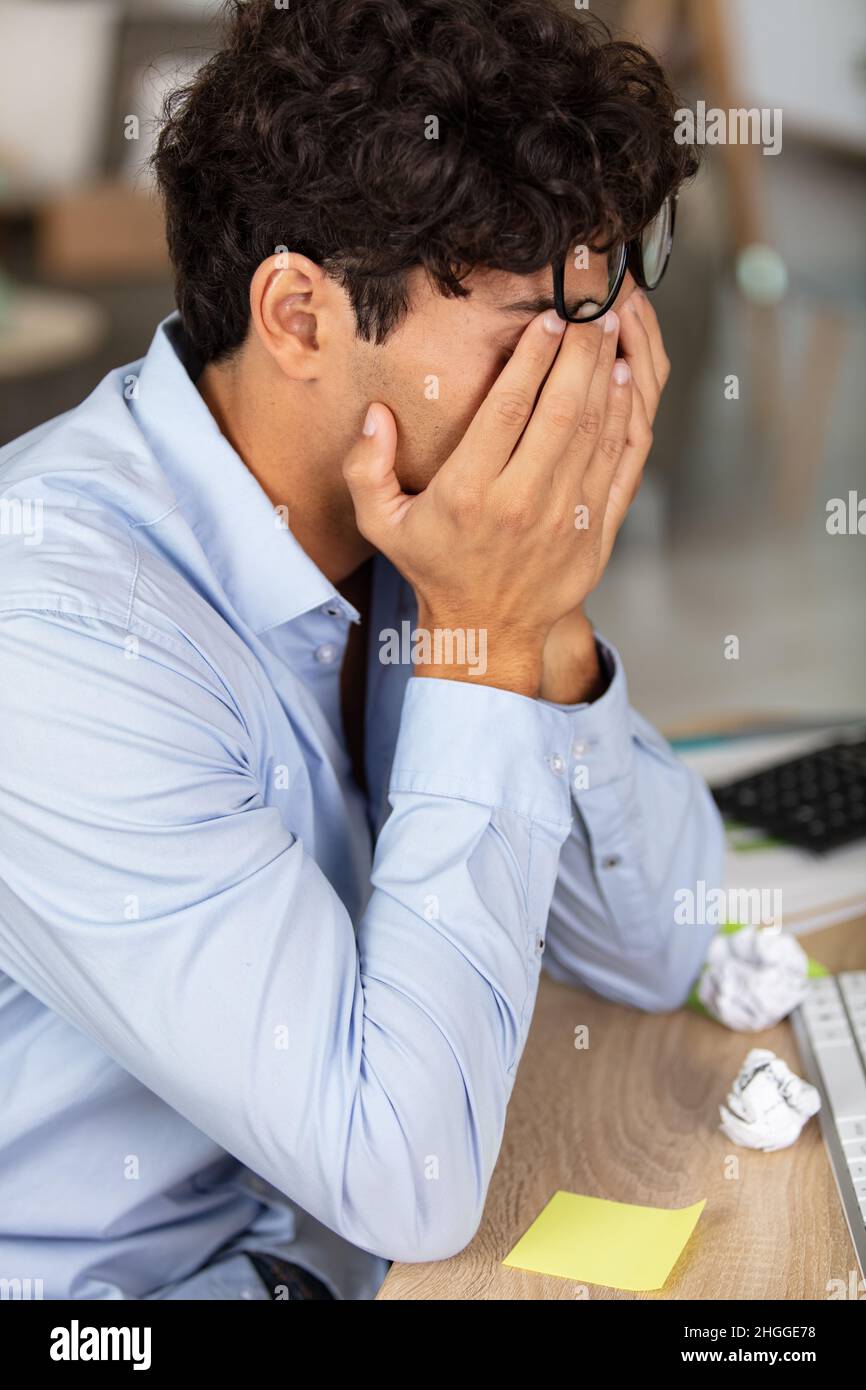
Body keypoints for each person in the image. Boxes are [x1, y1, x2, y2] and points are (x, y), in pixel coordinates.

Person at [0, 0, 724, 1300]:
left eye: (608, 293)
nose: (598, 375)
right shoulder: (46, 625)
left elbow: (653, 946)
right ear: (299, 316)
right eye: (532, 320)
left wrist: (539, 617)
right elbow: (404, 1171)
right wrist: (482, 636)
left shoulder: (435, 526)